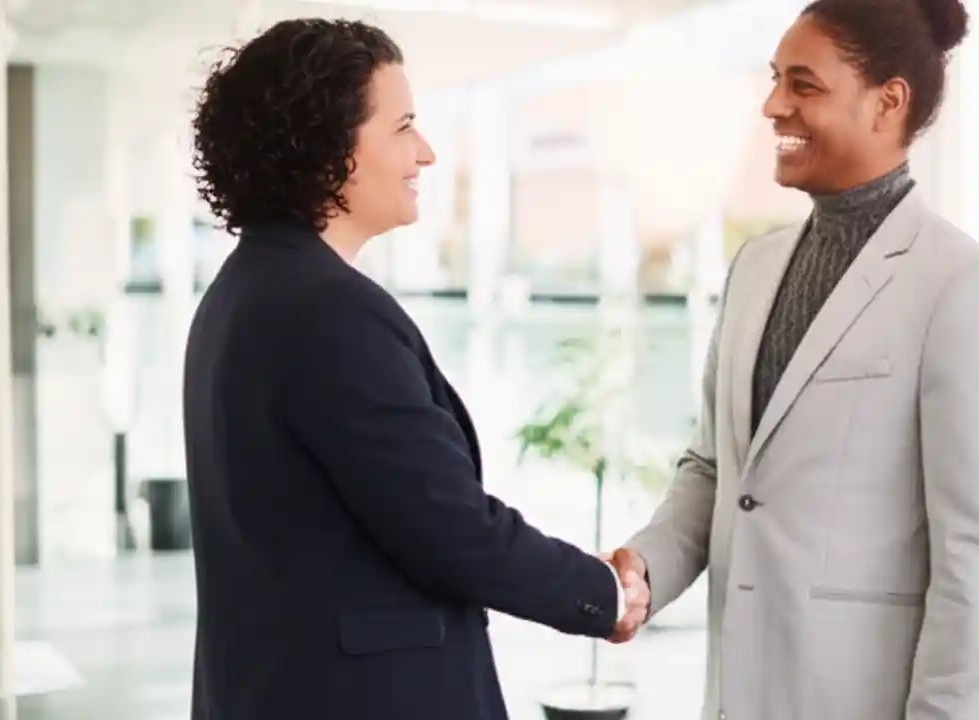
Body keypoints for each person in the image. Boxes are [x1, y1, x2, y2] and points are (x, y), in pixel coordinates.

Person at [184, 19, 647, 720]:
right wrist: (601, 593)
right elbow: (448, 528)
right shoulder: (328, 310)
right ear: (329, 147)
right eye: (403, 127)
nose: (425, 153)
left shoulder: (244, 289)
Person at [607, 1, 979, 718]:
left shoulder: (969, 292)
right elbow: (715, 470)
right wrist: (648, 566)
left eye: (803, 85)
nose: (774, 105)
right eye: (777, 80)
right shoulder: (754, 267)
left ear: (887, 102)